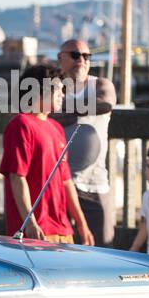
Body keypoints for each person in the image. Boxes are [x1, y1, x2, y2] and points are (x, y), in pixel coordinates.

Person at [0, 64, 94, 244]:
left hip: (62, 228)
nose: (63, 95)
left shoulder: (57, 128)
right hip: (34, 230)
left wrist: (81, 223)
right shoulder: (21, 124)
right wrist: (30, 222)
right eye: (58, 89)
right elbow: (17, 177)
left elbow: (66, 181)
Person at [54, 38, 118, 246]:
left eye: (86, 56)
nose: (81, 60)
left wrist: (63, 110)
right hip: (58, 182)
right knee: (57, 248)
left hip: (95, 183)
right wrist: (75, 110)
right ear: (60, 58)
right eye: (74, 55)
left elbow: (104, 104)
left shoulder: (100, 84)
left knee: (102, 246)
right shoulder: (52, 88)